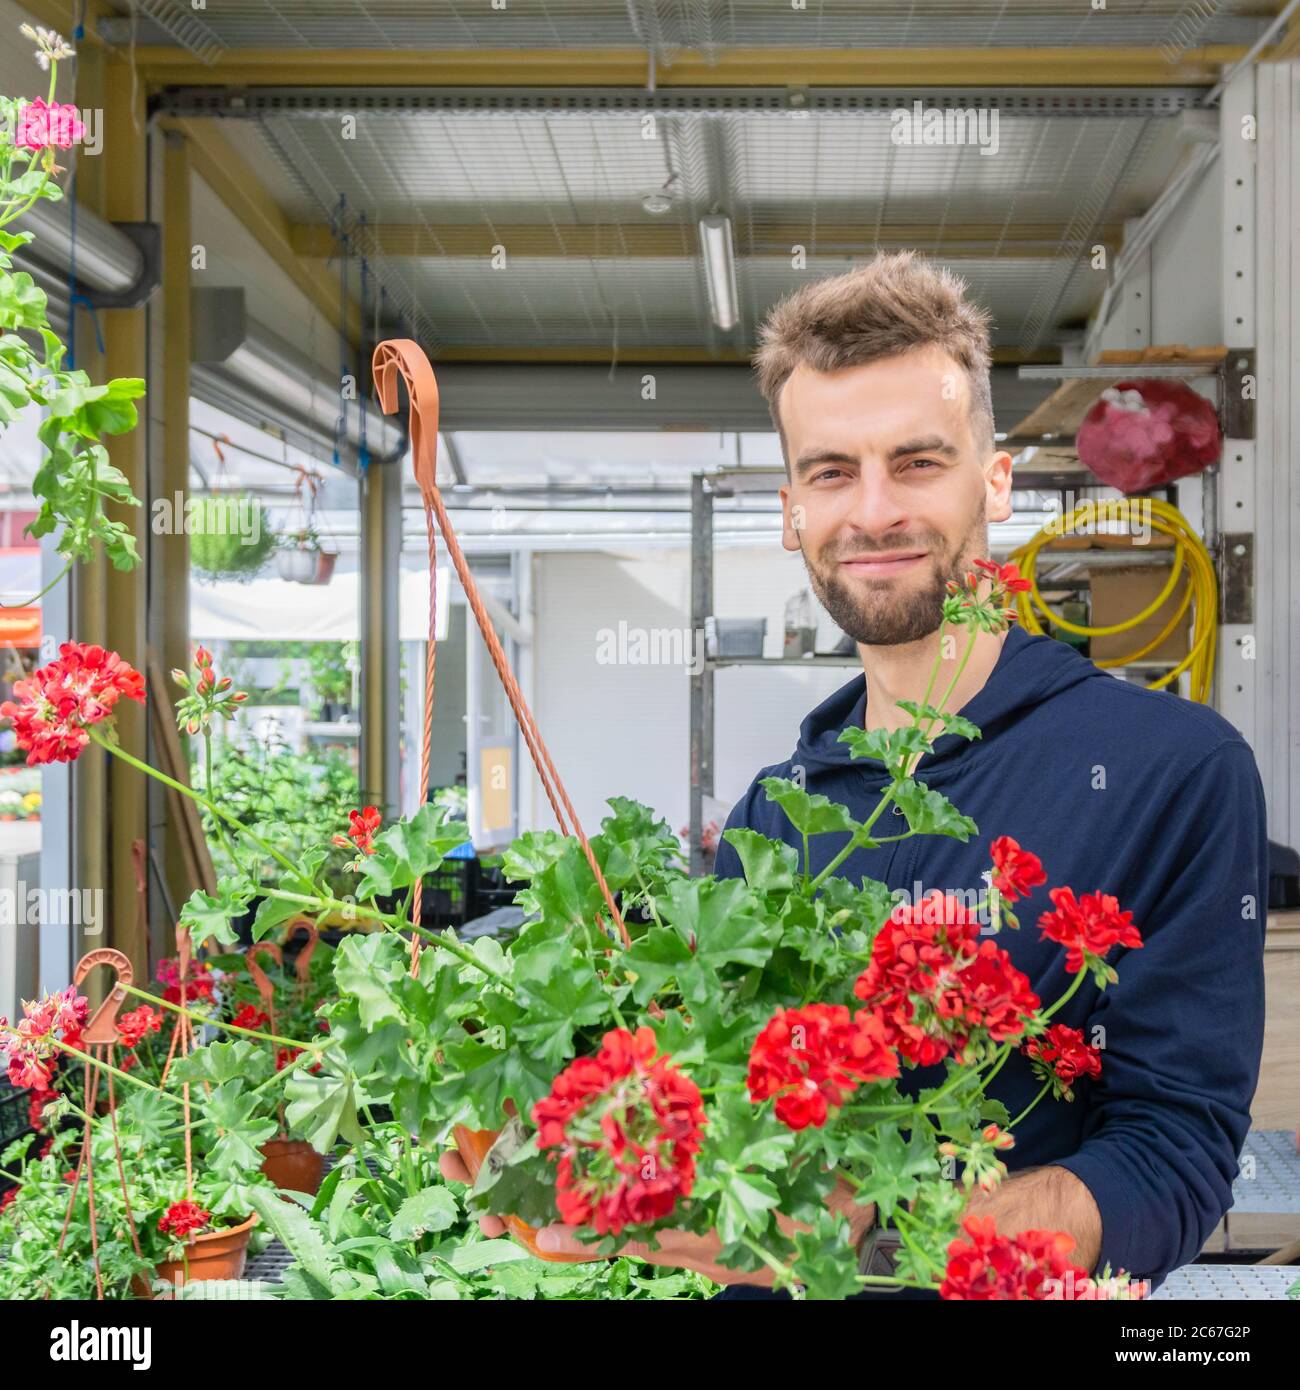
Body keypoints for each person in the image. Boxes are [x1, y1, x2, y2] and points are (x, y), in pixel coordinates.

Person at [443, 252, 1268, 1298]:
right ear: (792, 507)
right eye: (831, 471)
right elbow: (721, 1106)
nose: (872, 512)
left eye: (917, 462)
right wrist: (597, 1177)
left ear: (995, 481)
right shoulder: (772, 815)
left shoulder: (1174, 770)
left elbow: (1175, 1156)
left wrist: (863, 1235)